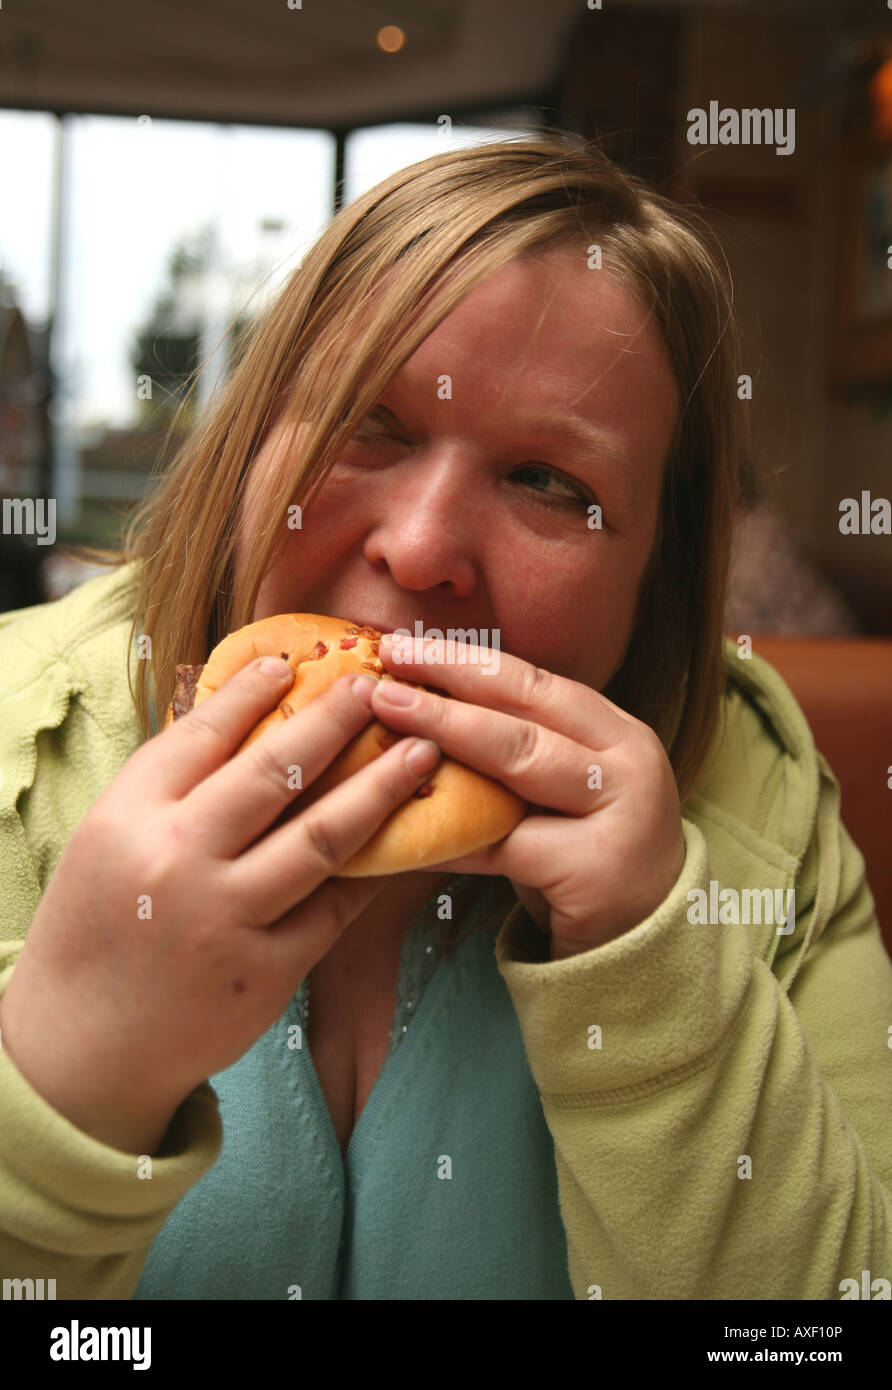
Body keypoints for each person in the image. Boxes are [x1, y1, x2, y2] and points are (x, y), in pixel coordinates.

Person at [0, 134, 889, 1302]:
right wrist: (73, 1059)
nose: (418, 548)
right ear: (251, 443)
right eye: (368, 423)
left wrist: (652, 970)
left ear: (654, 589)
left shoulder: (767, 805)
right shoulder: (23, 739)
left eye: (550, 485)